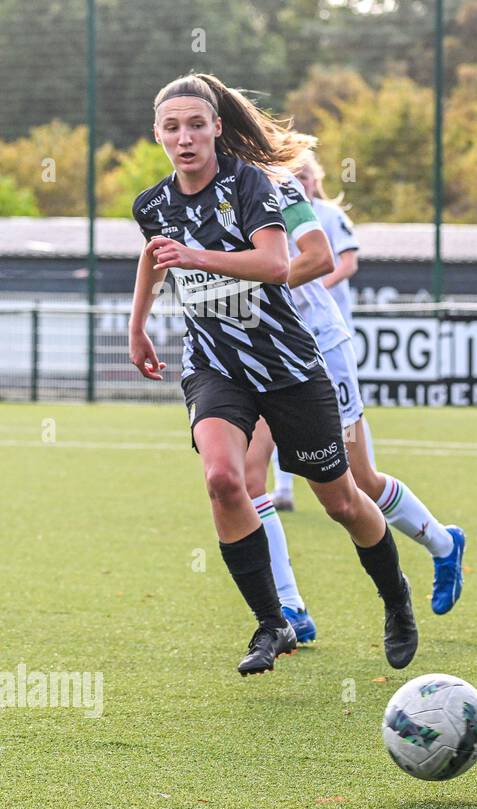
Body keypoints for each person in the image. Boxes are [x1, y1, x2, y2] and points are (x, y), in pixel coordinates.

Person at [127, 72, 420, 675]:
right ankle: (272, 623)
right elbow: (154, 256)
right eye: (172, 127)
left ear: (214, 128)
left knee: (341, 500)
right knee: (223, 480)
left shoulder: (250, 182)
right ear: (157, 134)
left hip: (286, 365)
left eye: (196, 125)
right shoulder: (152, 203)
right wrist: (138, 326)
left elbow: (275, 261)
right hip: (215, 367)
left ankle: (397, 601)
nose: (185, 138)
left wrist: (197, 257)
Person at [244, 161, 465, 644]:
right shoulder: (214, 198)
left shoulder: (286, 196)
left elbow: (326, 260)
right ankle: (290, 609)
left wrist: (252, 283)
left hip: (321, 346)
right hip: (264, 356)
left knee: (358, 481)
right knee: (245, 477)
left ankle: (444, 543)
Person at [270, 150, 362, 510]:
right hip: (282, 334)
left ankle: (355, 485)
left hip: (325, 331)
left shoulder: (327, 215)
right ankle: (283, 490)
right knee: (275, 419)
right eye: (298, 175)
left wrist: (314, 285)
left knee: (345, 423)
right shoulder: (263, 205)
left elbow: (343, 261)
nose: (302, 181)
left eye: (306, 175)